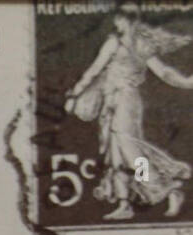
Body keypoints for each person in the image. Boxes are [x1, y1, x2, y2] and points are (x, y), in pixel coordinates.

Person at [65, 4, 193, 220]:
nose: (120, 22)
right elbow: (165, 73)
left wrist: (74, 94)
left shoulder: (117, 43)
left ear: (128, 20)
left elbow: (94, 71)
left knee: (130, 151)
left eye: (123, 18)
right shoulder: (141, 44)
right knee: (116, 154)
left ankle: (166, 189)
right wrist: (187, 83)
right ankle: (125, 204)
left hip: (123, 100)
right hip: (118, 101)